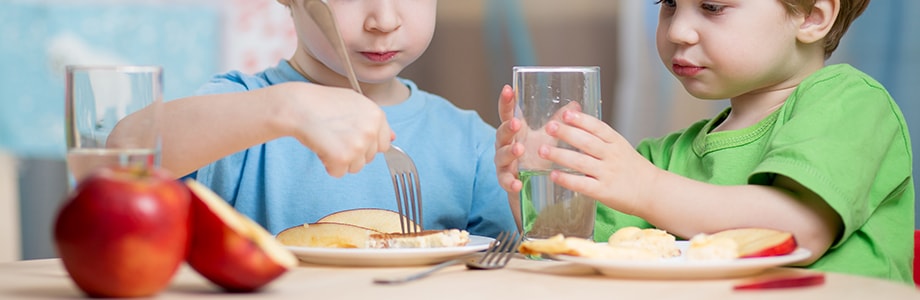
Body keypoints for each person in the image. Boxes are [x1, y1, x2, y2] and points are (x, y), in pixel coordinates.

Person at [495, 0, 913, 283]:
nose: (678, 30)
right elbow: (569, 248)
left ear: (812, 17)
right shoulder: (663, 157)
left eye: (712, 6)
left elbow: (799, 230)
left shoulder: (851, 102)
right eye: (668, 3)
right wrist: (531, 175)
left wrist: (647, 188)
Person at [112, 0, 516, 239]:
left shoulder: (472, 144)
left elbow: (514, 267)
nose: (383, 20)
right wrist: (284, 108)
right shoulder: (245, 111)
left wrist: (532, 195)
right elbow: (115, 157)